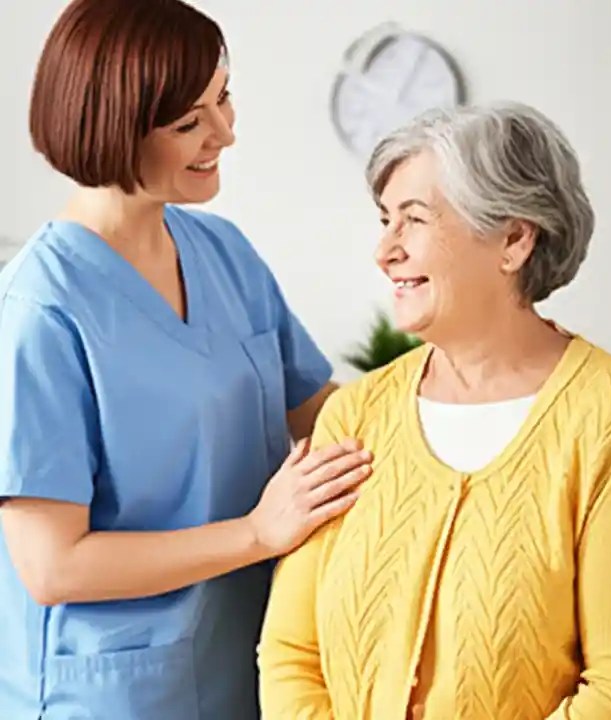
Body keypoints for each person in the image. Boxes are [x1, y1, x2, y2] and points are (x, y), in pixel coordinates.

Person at [0, 1, 370, 718]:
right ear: (114, 128)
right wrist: (257, 533)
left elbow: (320, 410)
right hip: (118, 695)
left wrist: (466, 388)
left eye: (223, 98)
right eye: (188, 124)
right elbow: (53, 565)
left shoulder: (224, 253)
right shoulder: (41, 311)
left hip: (249, 663)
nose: (225, 133)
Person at [257, 101, 611, 720]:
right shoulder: (354, 416)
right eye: (385, 220)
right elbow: (291, 654)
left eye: (414, 220)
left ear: (513, 239)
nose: (385, 251)